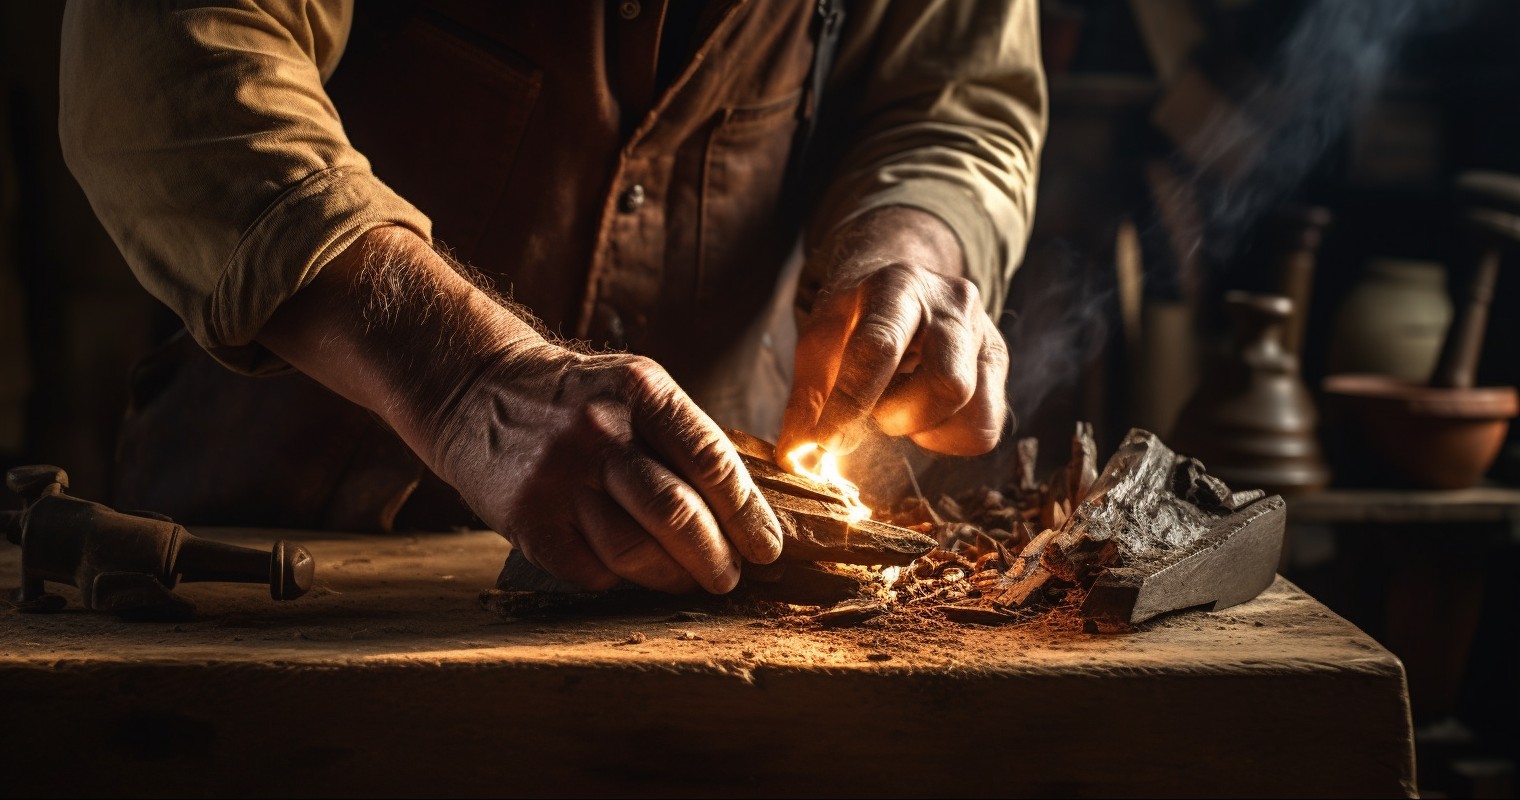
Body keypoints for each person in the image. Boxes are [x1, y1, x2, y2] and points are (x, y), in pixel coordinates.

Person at [59, 0, 1046, 595]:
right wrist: (456, 375)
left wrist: (912, 248)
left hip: (694, 581)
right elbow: (169, 51)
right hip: (272, 562)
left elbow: (951, 102)